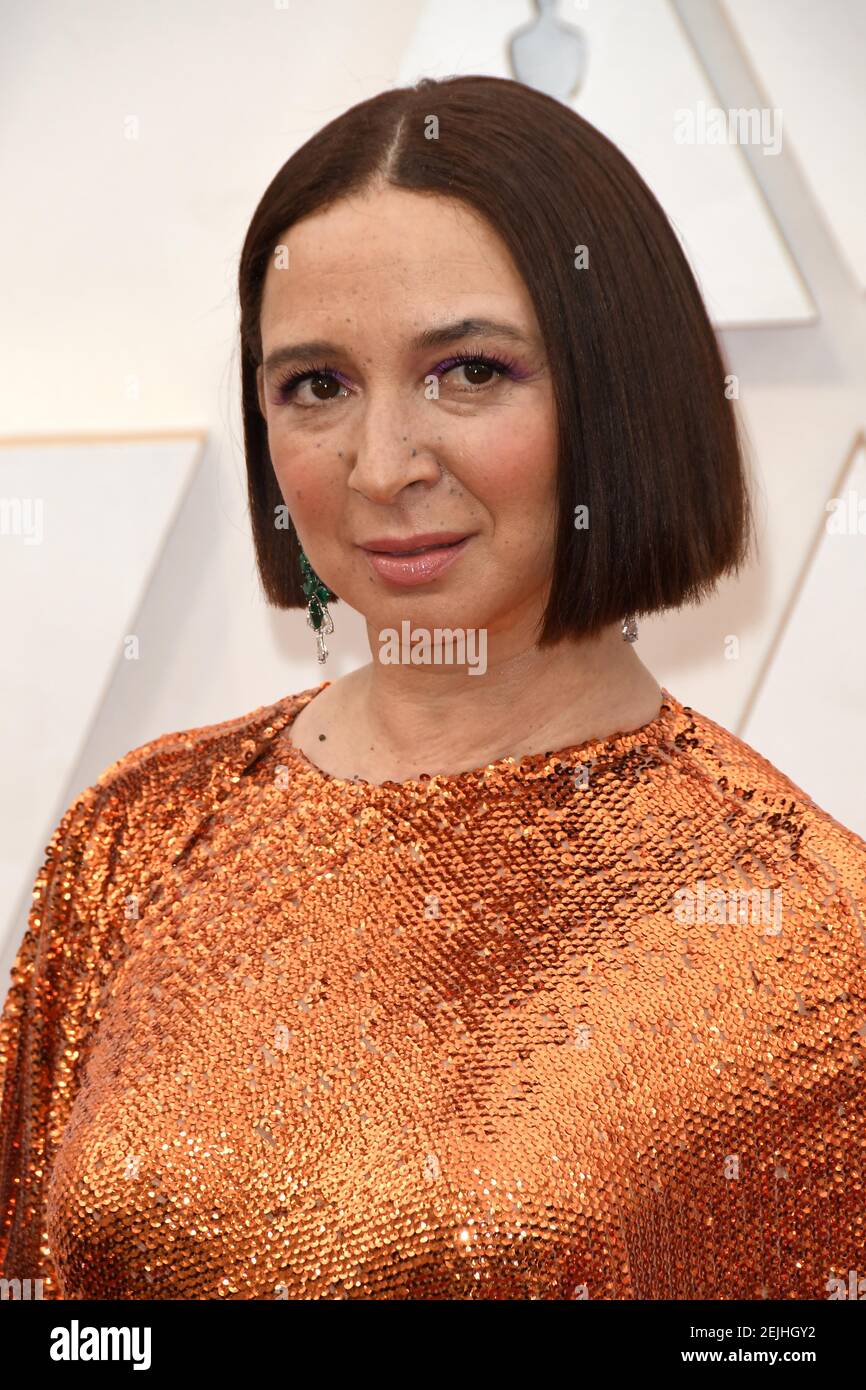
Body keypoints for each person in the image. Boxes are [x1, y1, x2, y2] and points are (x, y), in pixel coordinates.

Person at [2, 74, 864, 1301]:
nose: (382, 465)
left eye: (466, 372)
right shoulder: (135, 834)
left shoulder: (805, 933)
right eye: (316, 386)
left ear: (616, 399)